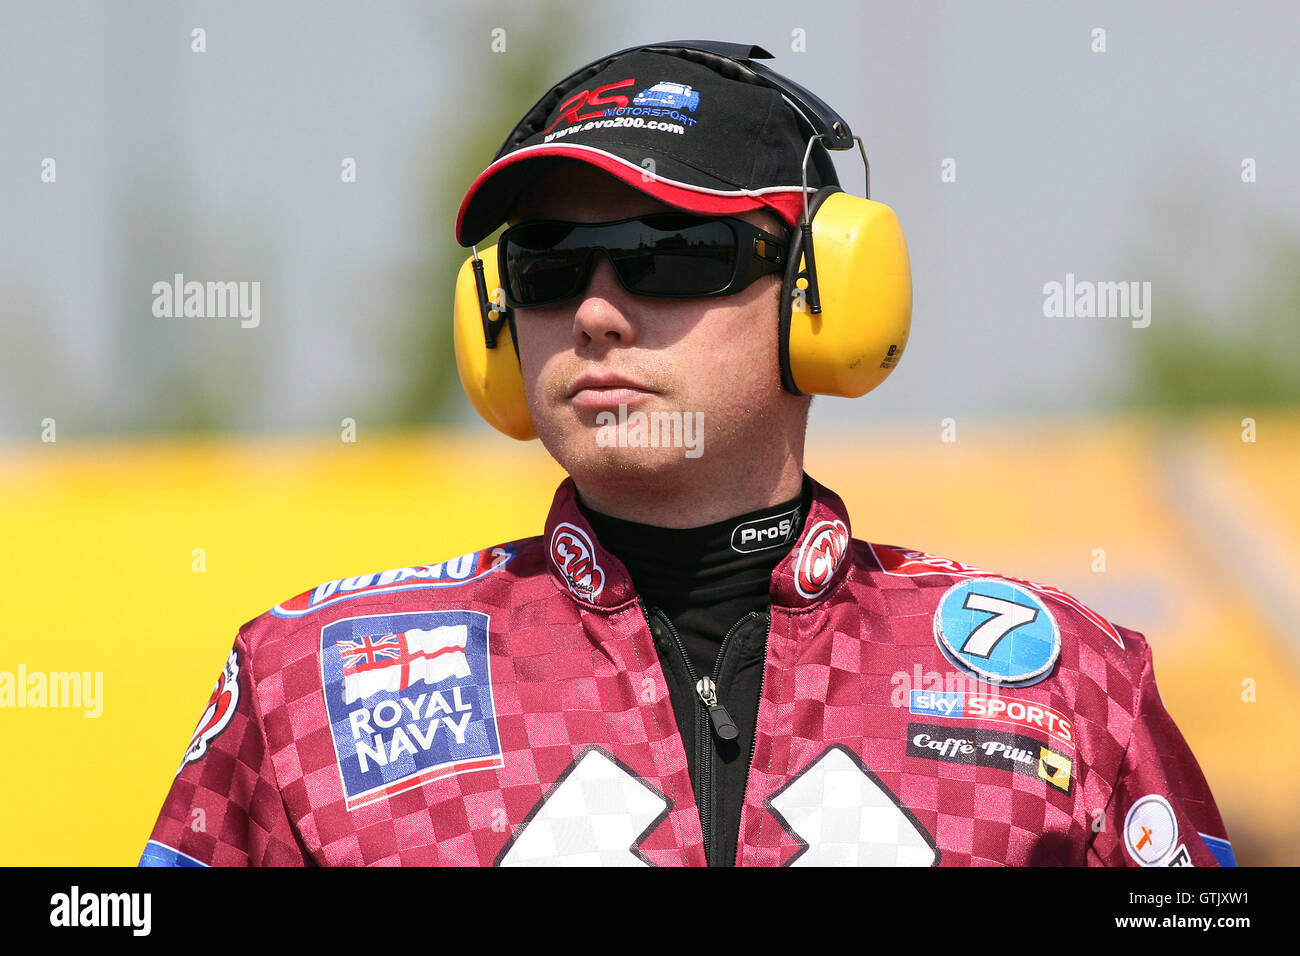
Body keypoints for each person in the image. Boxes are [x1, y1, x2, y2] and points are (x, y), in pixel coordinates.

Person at [140, 40, 1233, 867]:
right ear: (492, 314)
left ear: (829, 296)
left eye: (671, 253)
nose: (598, 314)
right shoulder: (306, 685)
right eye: (548, 266)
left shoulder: (1065, 683)